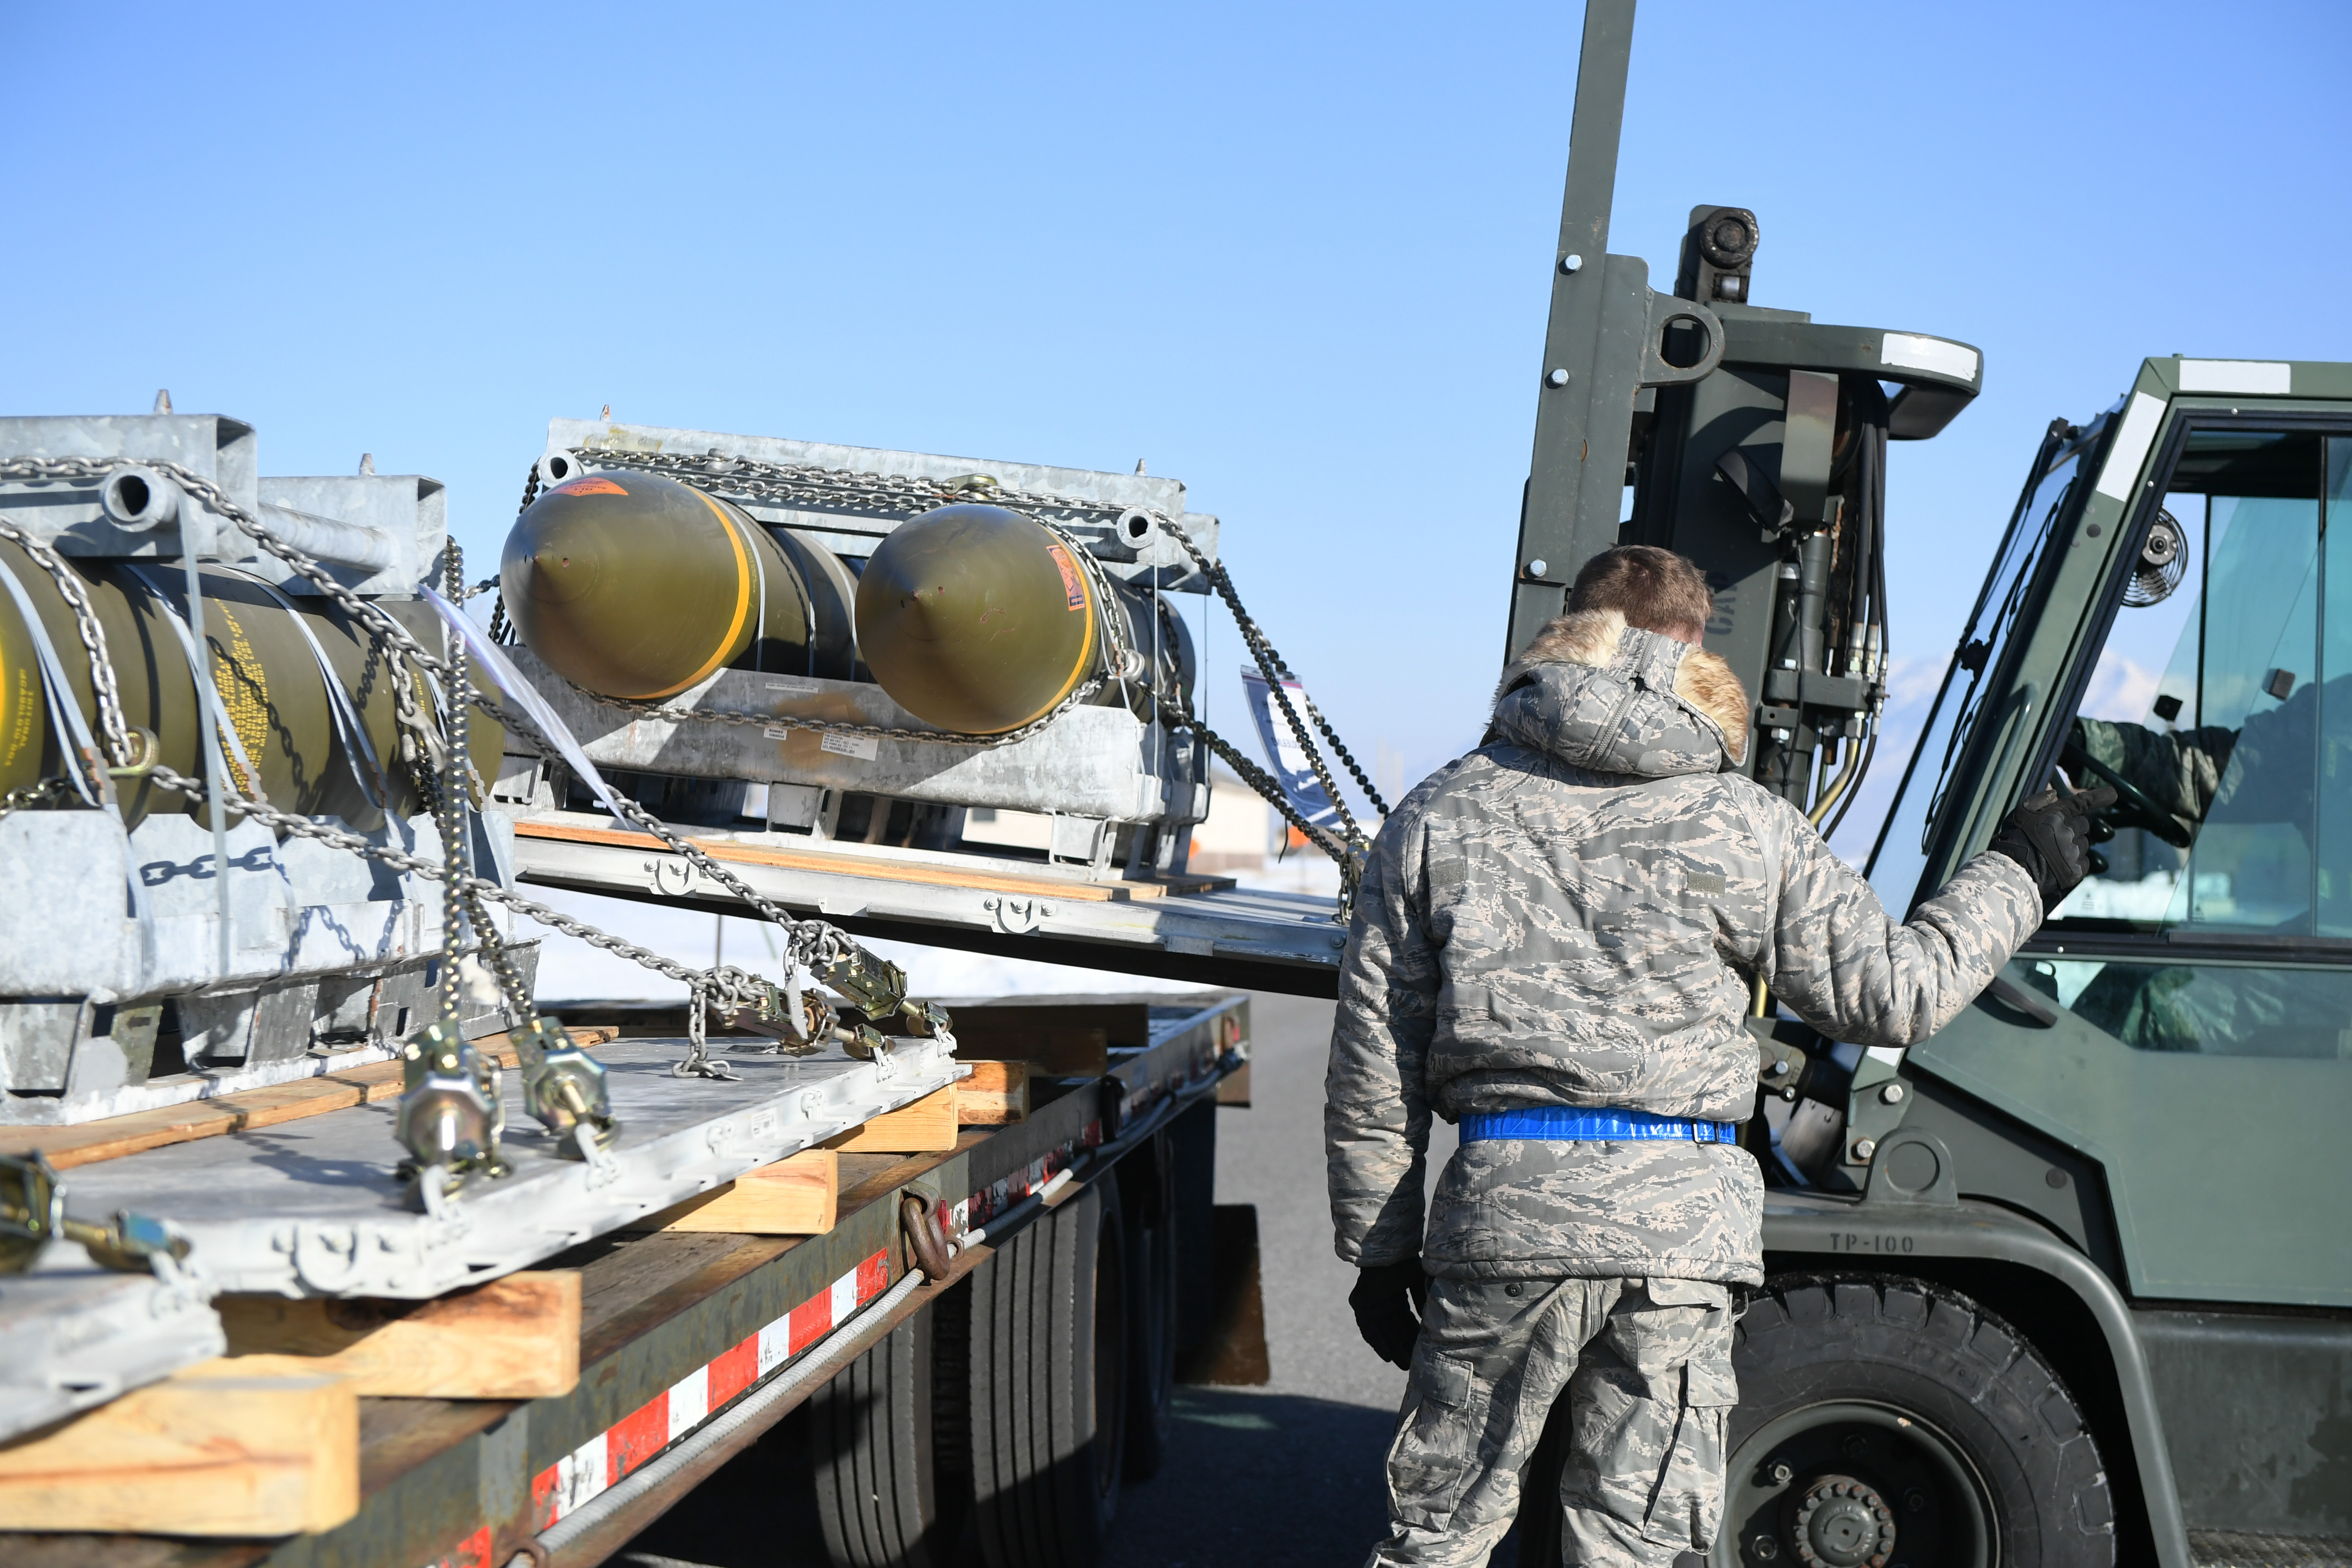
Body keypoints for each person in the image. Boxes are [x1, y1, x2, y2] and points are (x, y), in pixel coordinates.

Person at [1324, 544, 2107, 1566]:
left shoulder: (1442, 810)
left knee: (1438, 1538)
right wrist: (2024, 868)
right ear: (1694, 650)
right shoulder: (1747, 824)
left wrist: (1379, 1249)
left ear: (1572, 630)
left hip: (1503, 1220)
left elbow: (1374, 1055)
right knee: (1636, 1547)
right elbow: (1895, 992)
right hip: (1681, 1243)